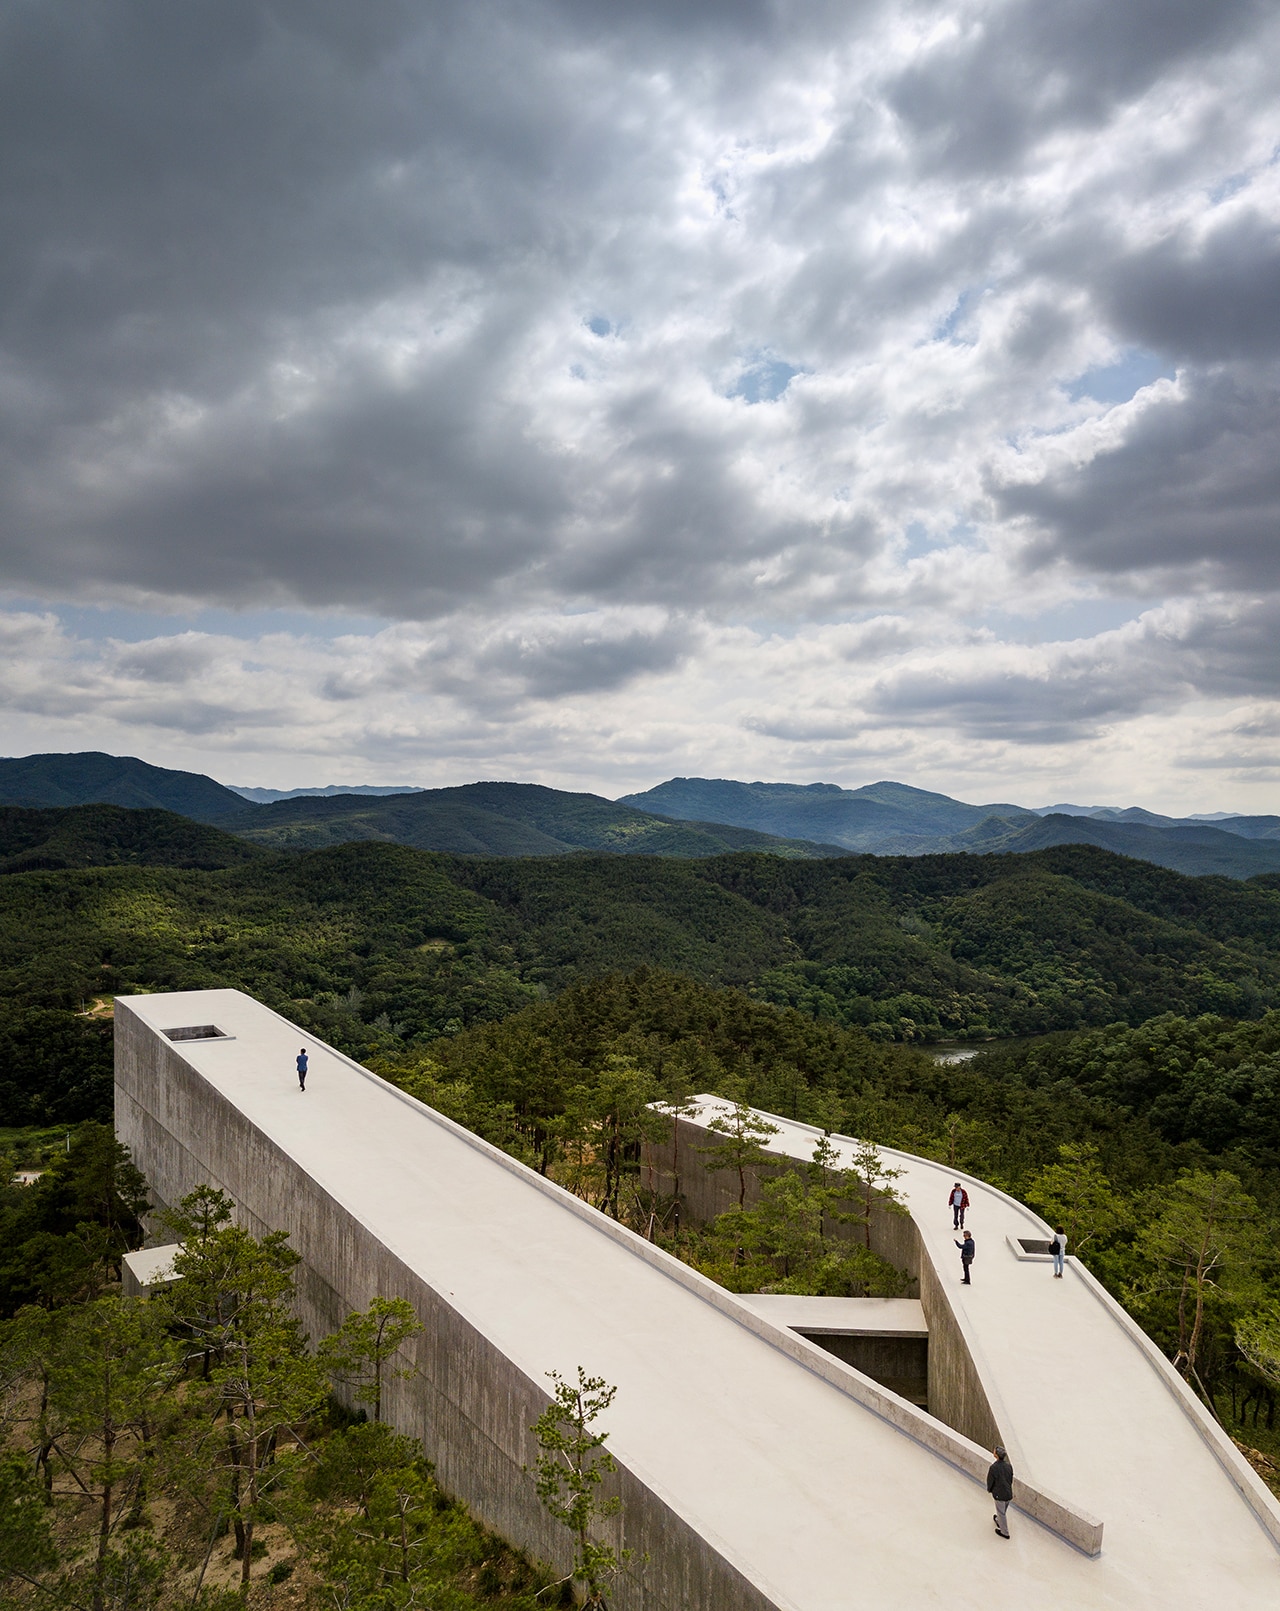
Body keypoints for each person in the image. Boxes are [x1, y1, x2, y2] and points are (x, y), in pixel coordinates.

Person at [987, 1445, 1013, 1538]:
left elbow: (990, 1481)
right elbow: (1010, 1479)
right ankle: (999, 1520)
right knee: (1002, 1510)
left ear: (996, 1455)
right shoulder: (1009, 1466)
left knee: (1001, 1512)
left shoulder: (993, 1468)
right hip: (1008, 1493)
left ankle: (1004, 1532)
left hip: (999, 1494)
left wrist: (990, 1489)